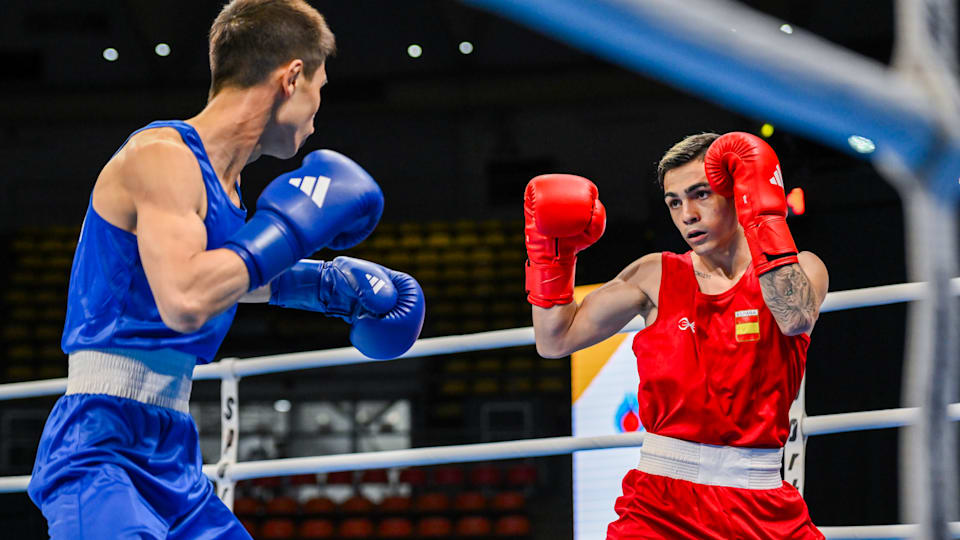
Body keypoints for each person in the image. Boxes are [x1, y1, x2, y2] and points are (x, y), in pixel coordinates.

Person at [27, 1, 425, 538]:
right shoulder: (161, 157)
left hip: (171, 449)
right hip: (100, 447)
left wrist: (326, 285)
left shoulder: (229, 192)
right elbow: (186, 299)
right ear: (292, 77)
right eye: (319, 90)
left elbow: (225, 277)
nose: (317, 114)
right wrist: (291, 230)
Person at [525, 132, 829, 539]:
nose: (687, 214)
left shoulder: (803, 268)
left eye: (700, 194)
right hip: (662, 504)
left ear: (739, 192)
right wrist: (554, 256)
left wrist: (764, 215)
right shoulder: (656, 274)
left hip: (762, 501)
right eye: (674, 202)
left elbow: (794, 318)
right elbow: (554, 341)